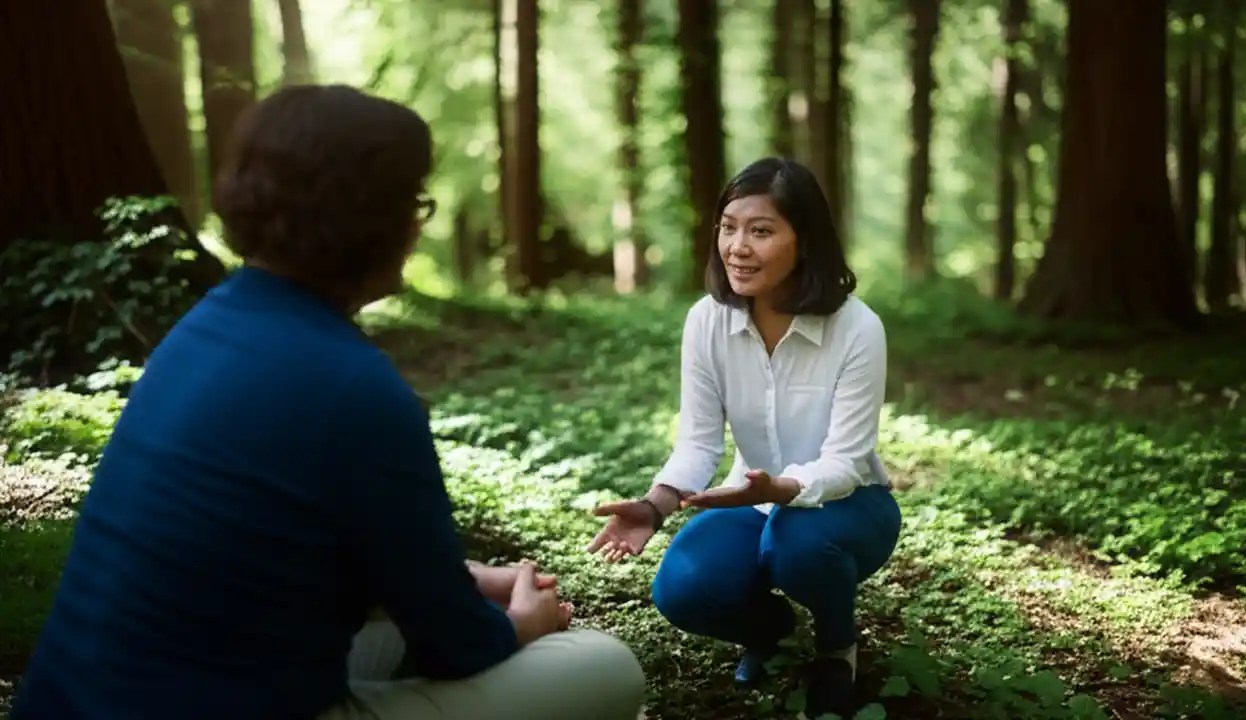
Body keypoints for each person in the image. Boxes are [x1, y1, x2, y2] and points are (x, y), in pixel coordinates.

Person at [13, 85, 644, 720]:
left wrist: (469, 580)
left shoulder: (206, 326)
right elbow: (460, 645)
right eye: (413, 202)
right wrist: (520, 626)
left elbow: (288, 543)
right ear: (377, 218)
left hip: (83, 700)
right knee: (605, 667)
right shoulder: (356, 388)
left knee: (391, 631)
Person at [587, 158, 901, 720]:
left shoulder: (857, 327)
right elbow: (698, 442)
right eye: (728, 227)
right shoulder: (707, 321)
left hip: (850, 506)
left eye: (761, 231)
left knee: (798, 542)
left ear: (804, 242)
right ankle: (774, 630)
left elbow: (848, 462)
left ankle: (836, 647)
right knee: (681, 588)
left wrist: (782, 489)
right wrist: (654, 507)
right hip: (753, 501)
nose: (737, 247)